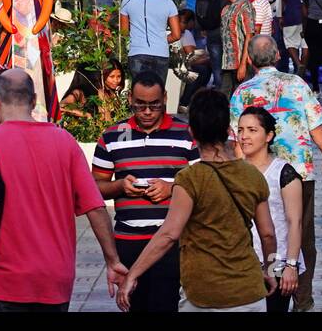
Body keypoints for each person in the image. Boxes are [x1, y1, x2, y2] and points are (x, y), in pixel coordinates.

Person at [116, 89, 277, 312]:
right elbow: (268, 234)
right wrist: (270, 270)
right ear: (228, 130)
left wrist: (133, 274)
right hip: (249, 292)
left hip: (203, 294)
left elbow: (169, 234)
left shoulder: (189, 179)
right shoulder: (252, 175)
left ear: (192, 132)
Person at [0, 69, 127, 310]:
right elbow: (95, 207)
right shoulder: (64, 142)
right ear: (35, 99)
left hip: (1, 280)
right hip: (54, 278)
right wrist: (112, 260)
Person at [230, 35, 322, 312]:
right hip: (299, 173)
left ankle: (260, 289)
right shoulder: (297, 84)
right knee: (301, 233)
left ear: (251, 60)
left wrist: (241, 174)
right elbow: (315, 127)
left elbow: (237, 140)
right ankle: (302, 299)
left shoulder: (242, 92)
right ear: (278, 55)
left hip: (258, 174)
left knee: (257, 230)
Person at [93, 73, 199, 312]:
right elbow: (95, 188)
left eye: (154, 105)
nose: (148, 112)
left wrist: (172, 188)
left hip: (174, 243)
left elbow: (203, 184)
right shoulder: (112, 136)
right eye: (140, 105)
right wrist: (120, 186)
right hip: (129, 243)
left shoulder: (186, 133)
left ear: (165, 98)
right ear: (130, 98)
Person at [236, 106, 304, 312]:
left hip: (276, 261)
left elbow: (295, 222)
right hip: (241, 262)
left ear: (269, 136)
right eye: (240, 130)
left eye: (252, 130)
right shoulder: (234, 171)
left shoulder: (283, 173)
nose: (244, 136)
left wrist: (291, 266)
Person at [119, 0, 181, 82]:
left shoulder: (128, 1)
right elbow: (176, 35)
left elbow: (124, 32)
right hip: (161, 53)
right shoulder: (168, 3)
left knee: (139, 93)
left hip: (137, 52)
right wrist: (160, 39)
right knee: (157, 93)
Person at [218, 0, 256, 93]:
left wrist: (243, 65)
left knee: (240, 96)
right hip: (228, 62)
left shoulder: (244, 6)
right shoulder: (227, 8)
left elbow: (249, 35)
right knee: (225, 95)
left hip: (240, 61)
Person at [61, 58, 127, 117]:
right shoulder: (79, 92)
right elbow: (61, 106)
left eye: (119, 76)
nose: (116, 80)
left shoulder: (108, 92)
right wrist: (85, 114)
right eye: (111, 76)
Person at [195, 0, 229, 70]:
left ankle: (218, 84)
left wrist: (201, 26)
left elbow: (200, 4)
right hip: (227, 28)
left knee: (216, 61)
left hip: (211, 28)